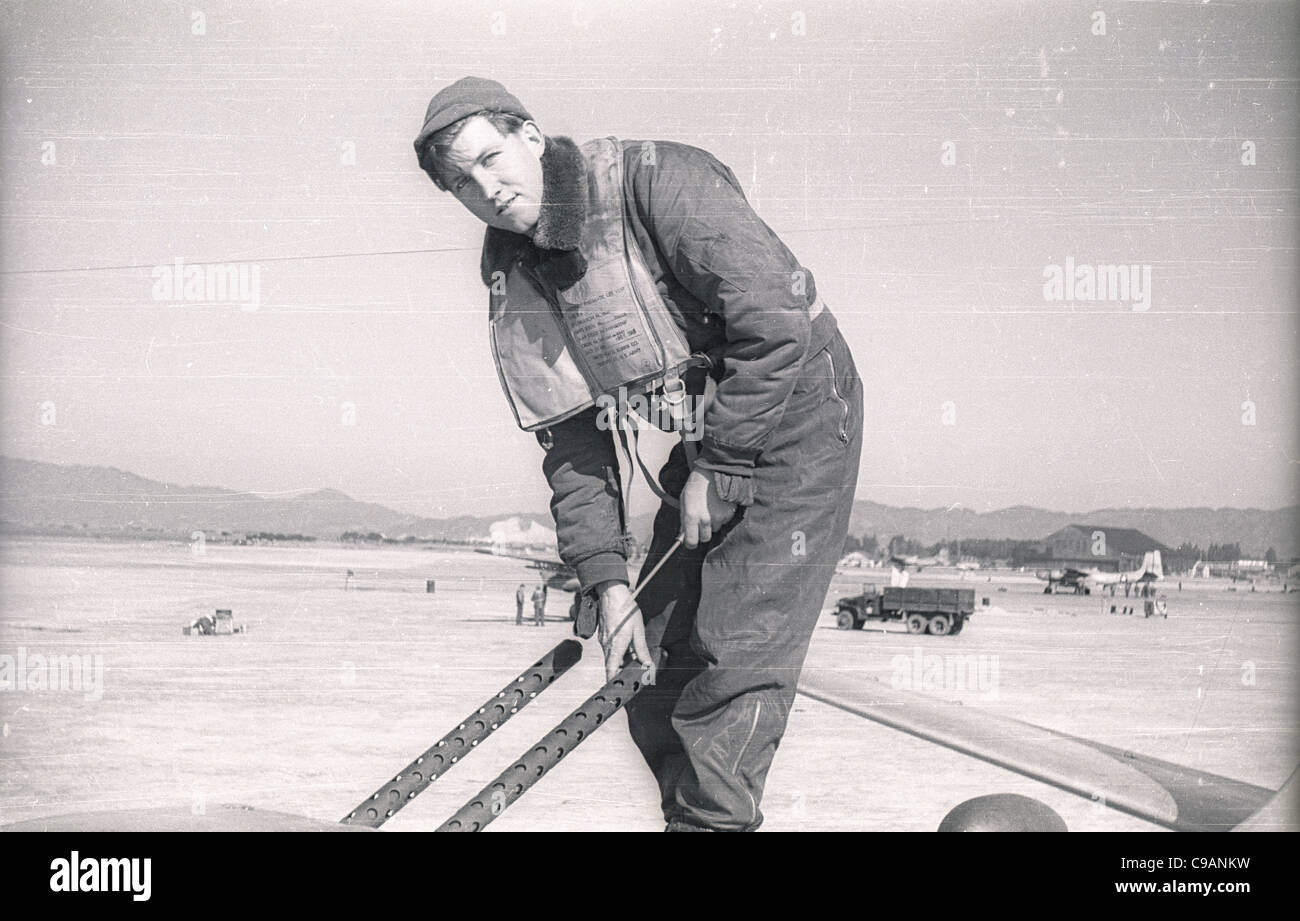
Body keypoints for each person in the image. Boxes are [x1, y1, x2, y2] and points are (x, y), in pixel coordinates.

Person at [414, 77, 863, 831]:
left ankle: (712, 823)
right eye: (462, 182)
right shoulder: (512, 267)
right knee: (649, 653)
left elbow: (777, 320)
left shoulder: (658, 182)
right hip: (717, 432)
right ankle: (687, 818)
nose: (484, 189)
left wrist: (721, 467)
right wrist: (607, 580)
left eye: (490, 159)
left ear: (529, 134)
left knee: (733, 654)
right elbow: (570, 437)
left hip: (796, 415)